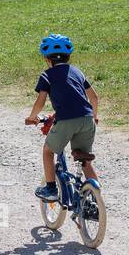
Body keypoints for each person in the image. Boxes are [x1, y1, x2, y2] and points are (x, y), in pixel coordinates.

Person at [24, 34, 100, 202]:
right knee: (84, 158)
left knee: (48, 151)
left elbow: (41, 101)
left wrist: (32, 117)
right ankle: (96, 200)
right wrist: (94, 116)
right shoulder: (77, 72)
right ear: (69, 56)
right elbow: (93, 98)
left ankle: (51, 189)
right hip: (87, 119)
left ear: (46, 59)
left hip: (66, 121)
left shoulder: (47, 75)